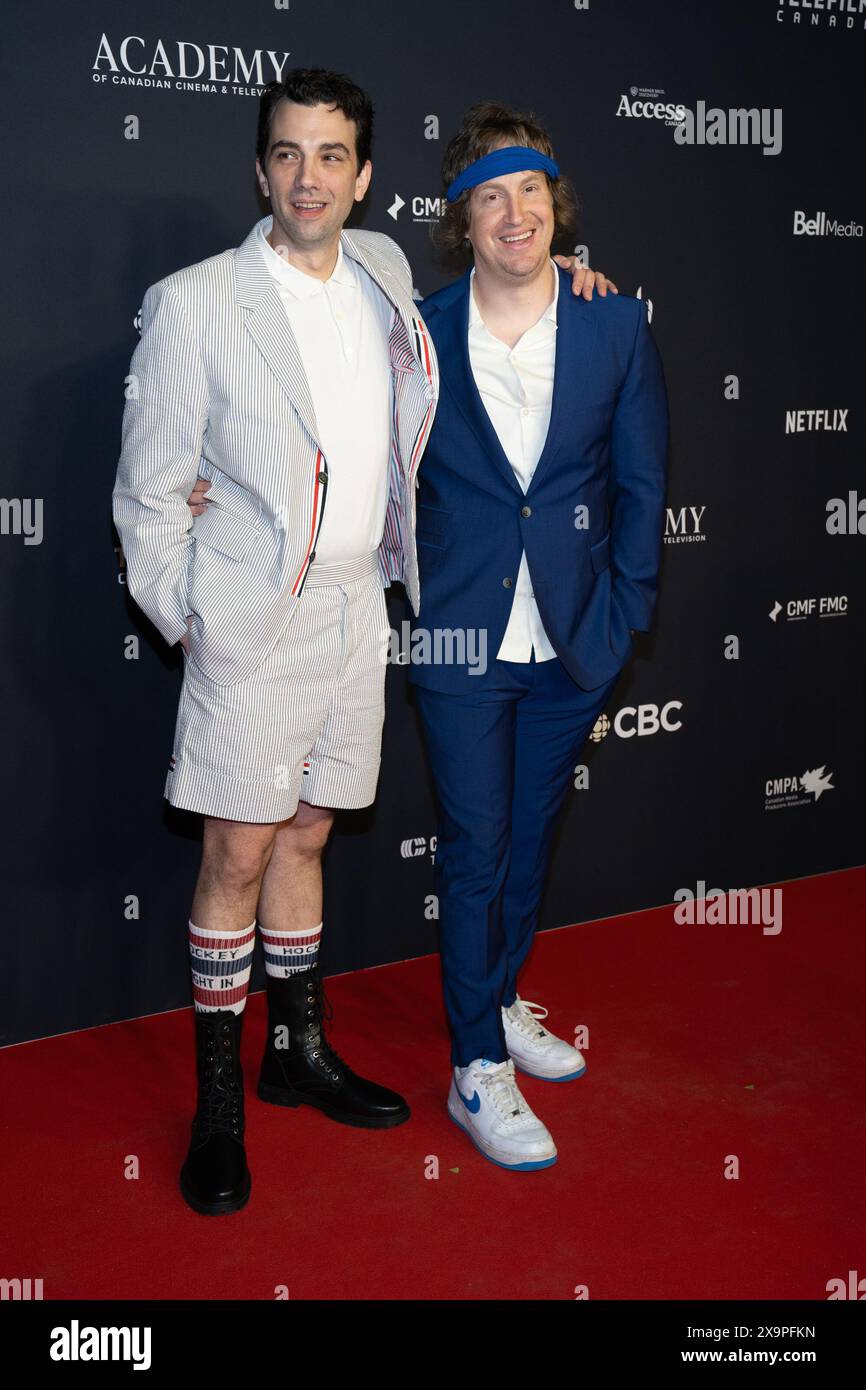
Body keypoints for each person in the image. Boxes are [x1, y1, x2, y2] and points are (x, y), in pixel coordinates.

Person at [116, 69, 610, 1216]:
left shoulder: (389, 273)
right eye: (287, 154)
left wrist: (576, 284)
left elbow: (498, 300)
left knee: (305, 833)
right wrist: (197, 621)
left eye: (331, 156)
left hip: (362, 612)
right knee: (235, 855)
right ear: (260, 168)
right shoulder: (195, 302)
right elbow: (145, 502)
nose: (308, 177)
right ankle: (220, 1102)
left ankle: (299, 1053)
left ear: (364, 177)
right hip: (251, 622)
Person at [408, 103, 669, 1171]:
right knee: (473, 851)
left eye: (527, 192)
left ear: (551, 205)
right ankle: (476, 1067)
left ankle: (501, 998)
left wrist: (621, 618)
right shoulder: (416, 331)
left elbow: (644, 486)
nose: (510, 214)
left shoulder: (613, 322)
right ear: (462, 218)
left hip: (570, 639)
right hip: (457, 639)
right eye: (488, 195)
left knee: (526, 844)